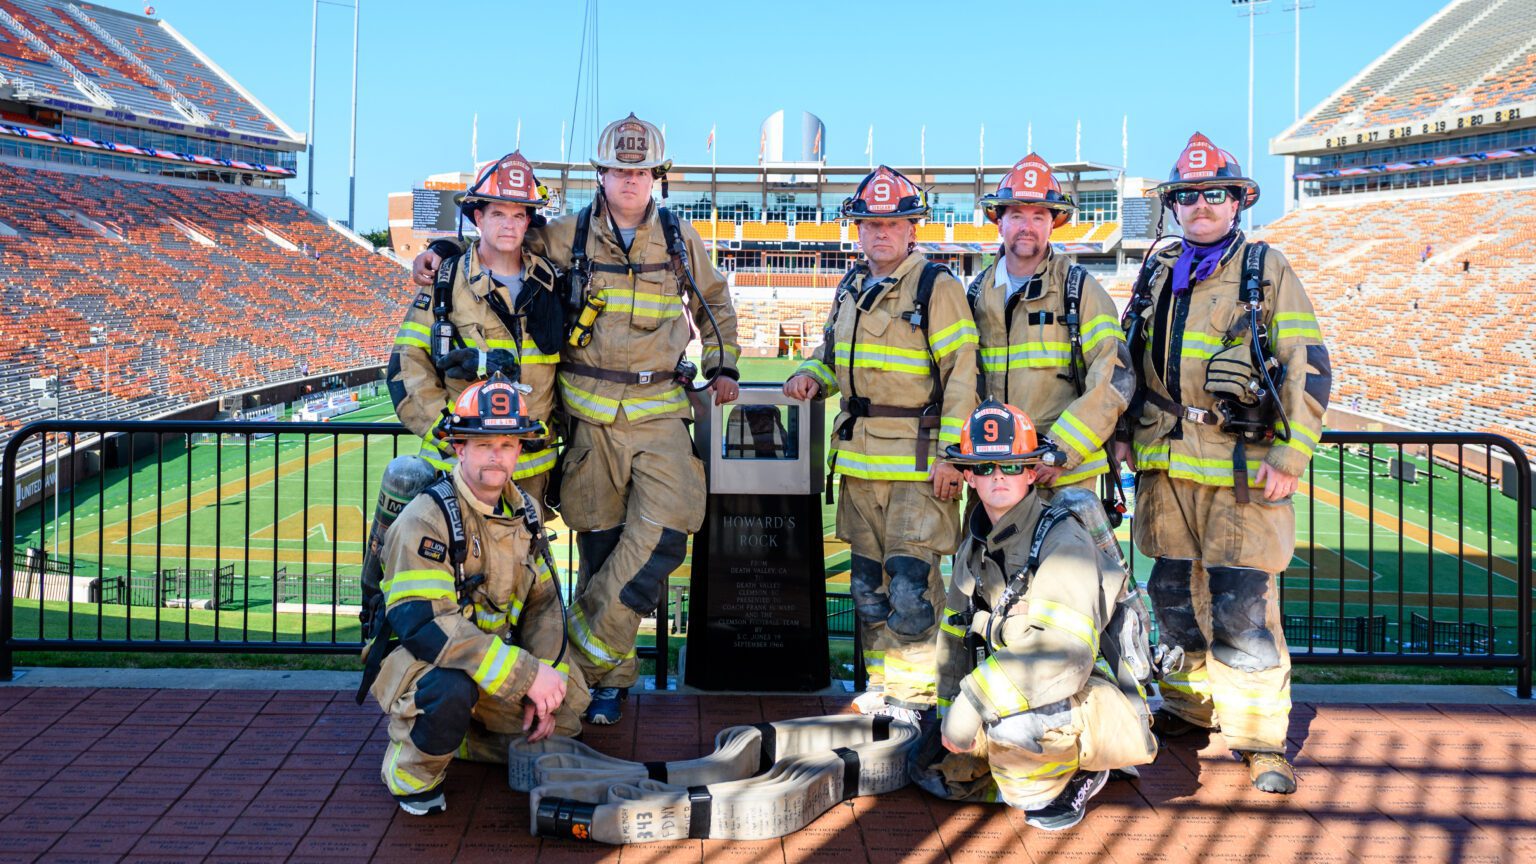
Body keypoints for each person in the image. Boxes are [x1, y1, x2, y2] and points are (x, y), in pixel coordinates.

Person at [413, 114, 741, 725]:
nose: (630, 181)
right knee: (600, 544)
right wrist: (441, 249)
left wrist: (723, 366)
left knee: (668, 530)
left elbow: (714, 300)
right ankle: (609, 680)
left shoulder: (677, 237)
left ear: (656, 177)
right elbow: (501, 244)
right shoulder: (566, 235)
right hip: (588, 420)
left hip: (661, 410)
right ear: (602, 173)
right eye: (619, 169)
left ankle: (584, 658)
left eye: (641, 171)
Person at [1117, 132, 1332, 794]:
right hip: (1166, 467)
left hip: (1244, 470)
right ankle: (1187, 707)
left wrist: (1295, 450)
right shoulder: (1157, 272)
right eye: (1188, 195)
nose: (1201, 205)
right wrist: (1123, 434)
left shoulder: (1266, 270)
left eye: (1214, 193)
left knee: (1243, 607)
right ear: (1174, 207)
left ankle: (1260, 738)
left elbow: (1309, 362)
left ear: (1237, 201)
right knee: (1172, 599)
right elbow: (1129, 359)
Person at [783, 165, 979, 722]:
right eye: (870, 224)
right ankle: (883, 683)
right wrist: (809, 376)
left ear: (913, 228)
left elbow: (963, 370)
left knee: (911, 587)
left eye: (893, 223)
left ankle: (915, 701)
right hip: (859, 463)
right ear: (858, 229)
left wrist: (950, 454)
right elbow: (829, 355)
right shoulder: (850, 285)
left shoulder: (935, 286)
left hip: (918, 464)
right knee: (868, 587)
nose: (880, 233)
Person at [913, 399, 1157, 831]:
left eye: (1011, 466)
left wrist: (971, 704)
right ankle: (1033, 761)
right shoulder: (976, 543)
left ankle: (1083, 774)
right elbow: (954, 639)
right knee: (936, 771)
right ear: (968, 475)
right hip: (1025, 689)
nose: (998, 478)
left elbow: (1063, 653)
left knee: (1018, 755)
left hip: (1090, 696)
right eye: (985, 469)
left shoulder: (1061, 537)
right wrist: (947, 725)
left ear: (1031, 471)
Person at [366, 372, 587, 815]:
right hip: (420, 657)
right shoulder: (426, 518)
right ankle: (409, 772)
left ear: (520, 450)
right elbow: (425, 624)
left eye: (507, 446)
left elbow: (544, 605)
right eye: (484, 444)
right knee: (450, 693)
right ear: (459, 447)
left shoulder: (525, 510)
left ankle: (465, 737)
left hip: (486, 656)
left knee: (567, 709)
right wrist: (525, 677)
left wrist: (543, 672)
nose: (496, 457)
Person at [388, 151, 563, 510]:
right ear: (478, 217)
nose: (509, 225)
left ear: (528, 220)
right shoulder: (446, 282)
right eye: (498, 213)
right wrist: (450, 428)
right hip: (460, 470)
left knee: (525, 564)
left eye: (518, 215)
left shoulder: (550, 283)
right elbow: (407, 366)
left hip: (532, 474)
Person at [968, 153, 1133, 492]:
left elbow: (1114, 378)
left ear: (1052, 223)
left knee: (1066, 548)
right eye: (1016, 215)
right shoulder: (976, 295)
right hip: (996, 476)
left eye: (1038, 216)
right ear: (999, 222)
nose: (1027, 226)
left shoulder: (1080, 290)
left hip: (1064, 477)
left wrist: (1061, 449)